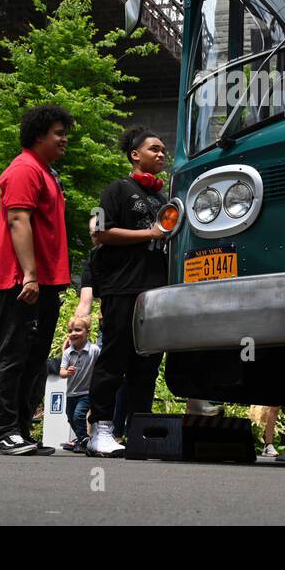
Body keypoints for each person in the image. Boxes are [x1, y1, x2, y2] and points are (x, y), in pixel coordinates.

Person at [0, 106, 74, 456]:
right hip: (21, 280)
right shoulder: (24, 169)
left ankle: (21, 429)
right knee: (13, 354)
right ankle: (4, 431)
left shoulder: (46, 172)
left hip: (46, 281)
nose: (64, 139)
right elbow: (18, 221)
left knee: (35, 358)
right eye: (58, 132)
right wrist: (31, 276)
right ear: (39, 136)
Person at [86, 126, 170, 457]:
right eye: (154, 149)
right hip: (122, 288)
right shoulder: (117, 189)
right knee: (113, 359)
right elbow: (99, 233)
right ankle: (100, 431)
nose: (162, 154)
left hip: (155, 293)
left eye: (164, 150)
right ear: (135, 155)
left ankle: (138, 431)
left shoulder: (163, 199)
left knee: (146, 364)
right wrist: (150, 233)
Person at [59, 316, 99, 452]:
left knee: (78, 415)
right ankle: (82, 440)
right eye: (70, 330)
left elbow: (100, 366)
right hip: (71, 392)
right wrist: (67, 372)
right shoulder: (68, 353)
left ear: (87, 332)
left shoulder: (94, 350)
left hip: (86, 392)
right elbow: (61, 372)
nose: (73, 333)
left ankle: (84, 440)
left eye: (78, 330)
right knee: (70, 418)